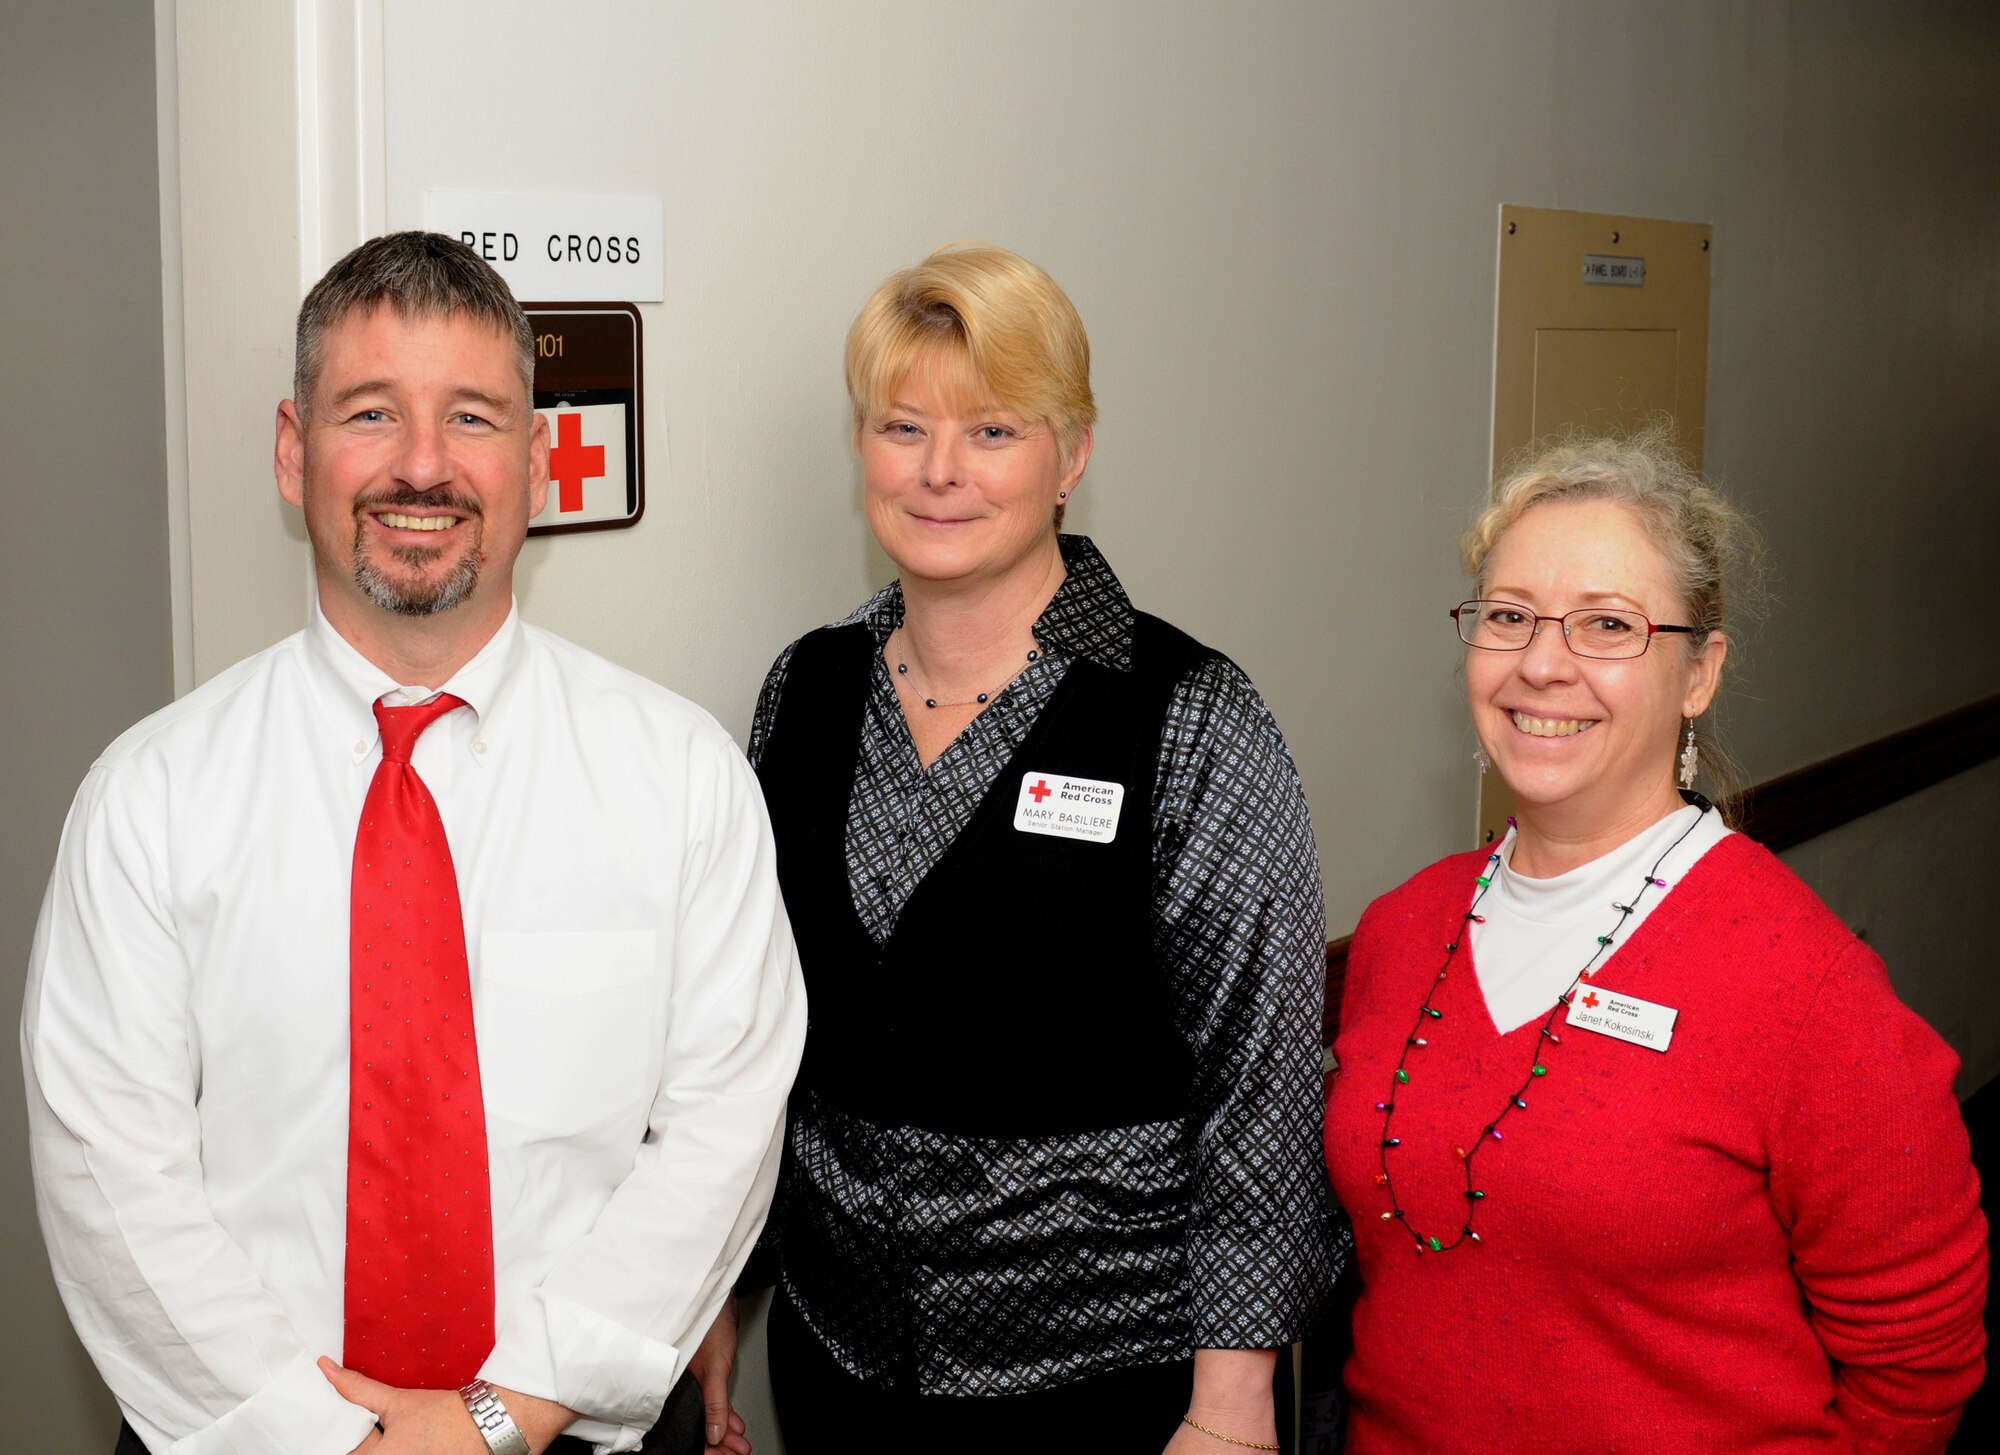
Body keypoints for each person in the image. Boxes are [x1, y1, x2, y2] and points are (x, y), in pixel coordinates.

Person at [22, 231, 806, 1455]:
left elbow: (724, 1133)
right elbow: (109, 1176)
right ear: (294, 451)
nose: (424, 465)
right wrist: (334, 1439)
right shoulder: (150, 798)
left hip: (571, 1431)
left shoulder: (681, 779)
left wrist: (503, 1414)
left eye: (473, 417)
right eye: (372, 411)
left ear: (535, 462)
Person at [700, 241, 1346, 1454]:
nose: (939, 471)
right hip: (837, 1362)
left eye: (991, 431)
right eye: (902, 428)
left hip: (1106, 1386)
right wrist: (717, 1304)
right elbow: (753, 1036)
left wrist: (1231, 1405)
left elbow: (1258, 1087)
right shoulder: (807, 687)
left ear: (1071, 456)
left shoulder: (1189, 715)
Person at [1323, 433, 1988, 1452]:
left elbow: (1915, 1363)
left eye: (1607, 625)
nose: (1542, 664)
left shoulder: (1806, 985)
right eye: (1507, 616)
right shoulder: (1401, 930)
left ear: (1698, 672)